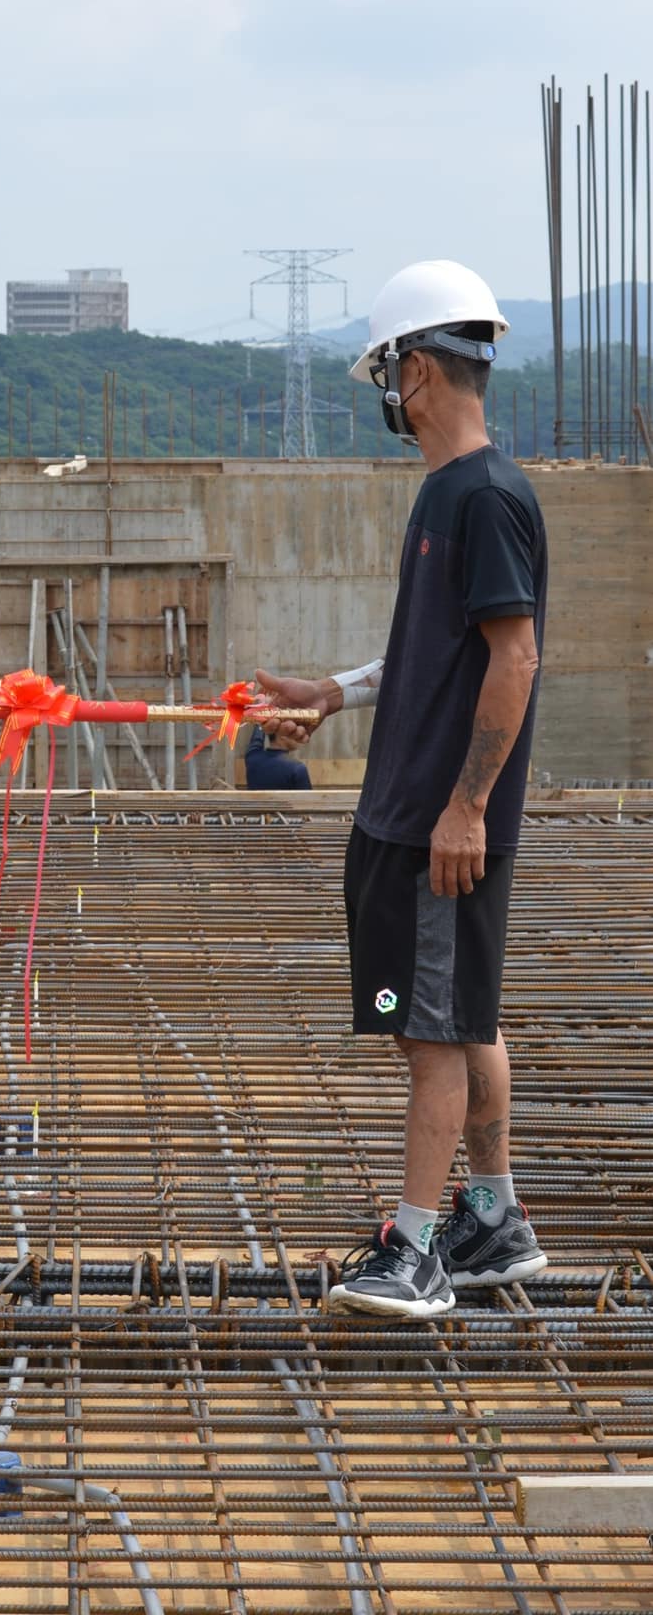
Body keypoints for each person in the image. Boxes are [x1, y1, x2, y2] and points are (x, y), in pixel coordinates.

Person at [257, 259, 548, 1319]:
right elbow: (437, 652)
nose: (386, 390)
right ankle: (491, 1215)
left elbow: (515, 658)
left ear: (416, 368)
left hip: (436, 821)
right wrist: (330, 693)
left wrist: (466, 805)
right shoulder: (452, 495)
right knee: (464, 1018)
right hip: (421, 812)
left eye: (387, 370)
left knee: (428, 1030)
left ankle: (416, 1250)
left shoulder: (484, 496)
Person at [243, 722, 312, 792]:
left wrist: (263, 719)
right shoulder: (298, 769)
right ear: (282, 735)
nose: (298, 735)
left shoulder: (252, 757)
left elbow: (257, 735)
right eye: (293, 732)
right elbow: (309, 802)